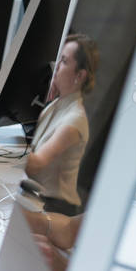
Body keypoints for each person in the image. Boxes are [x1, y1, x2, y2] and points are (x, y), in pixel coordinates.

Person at [25, 33, 98, 213]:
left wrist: (3, 152)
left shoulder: (75, 120)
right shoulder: (57, 105)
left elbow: (37, 163)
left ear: (79, 75)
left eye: (64, 61)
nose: (56, 66)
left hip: (57, 208)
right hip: (38, 197)